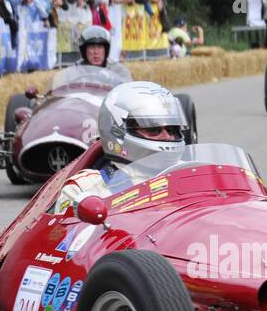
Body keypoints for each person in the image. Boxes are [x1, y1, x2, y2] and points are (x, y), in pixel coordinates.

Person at [53, 81, 191, 213]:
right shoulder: (84, 189)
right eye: (153, 129)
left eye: (172, 129)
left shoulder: (192, 171)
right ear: (118, 131)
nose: (167, 137)